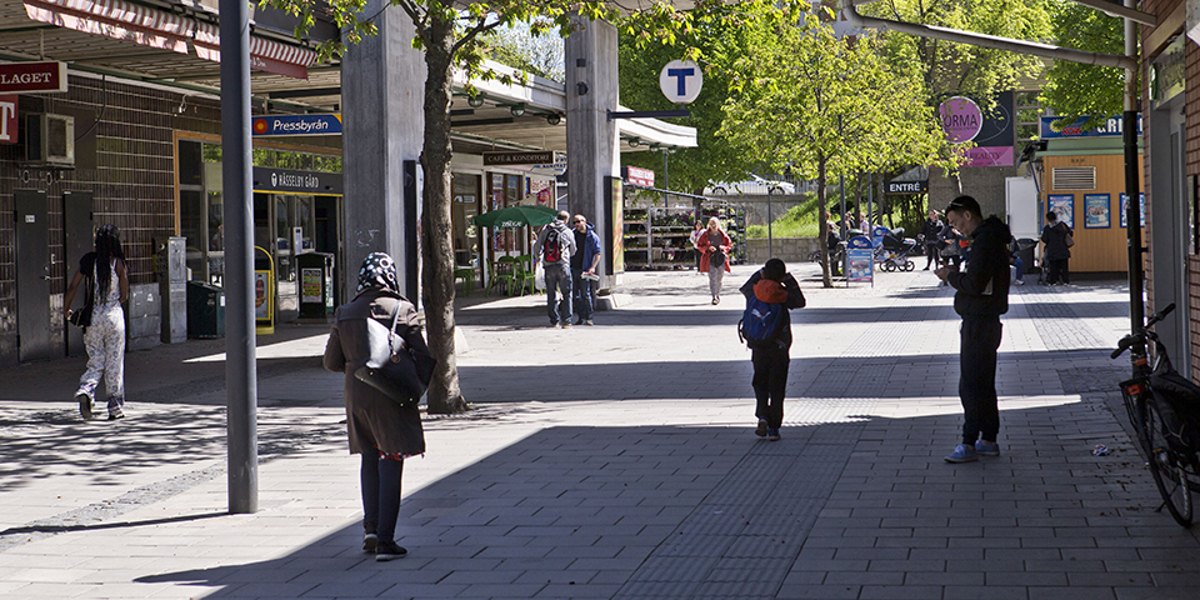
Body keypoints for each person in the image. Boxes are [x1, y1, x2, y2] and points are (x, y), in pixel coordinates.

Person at [323, 252, 429, 561]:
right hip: (390, 395)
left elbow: (331, 362)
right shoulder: (403, 309)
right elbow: (422, 355)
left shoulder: (345, 312)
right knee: (391, 459)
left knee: (368, 457)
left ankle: (369, 530)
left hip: (356, 396)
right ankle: (386, 540)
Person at [934, 196, 1011, 463]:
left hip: (979, 321)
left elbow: (975, 284)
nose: (957, 229)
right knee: (983, 383)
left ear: (968, 215)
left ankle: (968, 443)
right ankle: (988, 439)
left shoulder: (985, 241)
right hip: (986, 320)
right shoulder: (991, 238)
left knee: (971, 385)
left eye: (956, 222)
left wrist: (951, 276)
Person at [64, 224, 130, 421]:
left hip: (93, 317)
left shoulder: (89, 261)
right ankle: (114, 406)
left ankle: (86, 389)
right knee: (114, 361)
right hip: (114, 316)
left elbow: (73, 285)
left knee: (96, 359)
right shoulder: (119, 263)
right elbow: (124, 295)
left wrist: (65, 309)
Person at [740, 258, 806, 441]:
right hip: (779, 347)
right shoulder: (782, 294)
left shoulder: (754, 291)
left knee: (760, 382)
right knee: (777, 387)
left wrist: (761, 274)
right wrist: (789, 280)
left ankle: (762, 415)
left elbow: (744, 287)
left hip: (758, 345)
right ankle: (774, 428)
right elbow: (800, 302)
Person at [535, 211, 577, 327]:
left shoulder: (546, 230)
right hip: (563, 265)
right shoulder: (567, 231)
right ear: (566, 220)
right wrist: (567, 257)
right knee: (567, 293)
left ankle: (554, 321)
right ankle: (566, 321)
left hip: (548, 266)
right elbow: (573, 249)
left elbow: (537, 246)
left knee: (551, 293)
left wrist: (538, 258)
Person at [570, 214, 602, 326]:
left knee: (585, 293)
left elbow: (598, 253)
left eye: (578, 221)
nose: (576, 224)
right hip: (573, 268)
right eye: (574, 222)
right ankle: (581, 316)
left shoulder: (592, 236)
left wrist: (592, 267)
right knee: (575, 295)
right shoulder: (572, 234)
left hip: (585, 269)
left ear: (584, 221)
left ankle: (589, 317)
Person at [695, 216, 732, 305]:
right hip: (710, 258)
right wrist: (708, 248)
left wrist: (723, 248)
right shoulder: (705, 235)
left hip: (721, 259)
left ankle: (718, 294)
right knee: (712, 277)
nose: (713, 225)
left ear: (718, 224)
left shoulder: (723, 234)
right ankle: (714, 296)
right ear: (709, 225)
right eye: (711, 224)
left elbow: (729, 245)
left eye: (715, 223)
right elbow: (699, 245)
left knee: (719, 278)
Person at [1041, 211, 1072, 285]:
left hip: (1052, 250)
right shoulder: (1062, 225)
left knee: (1053, 267)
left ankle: (1053, 281)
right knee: (1064, 267)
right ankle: (1065, 281)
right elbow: (1070, 233)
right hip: (1063, 249)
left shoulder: (1048, 228)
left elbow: (1044, 239)